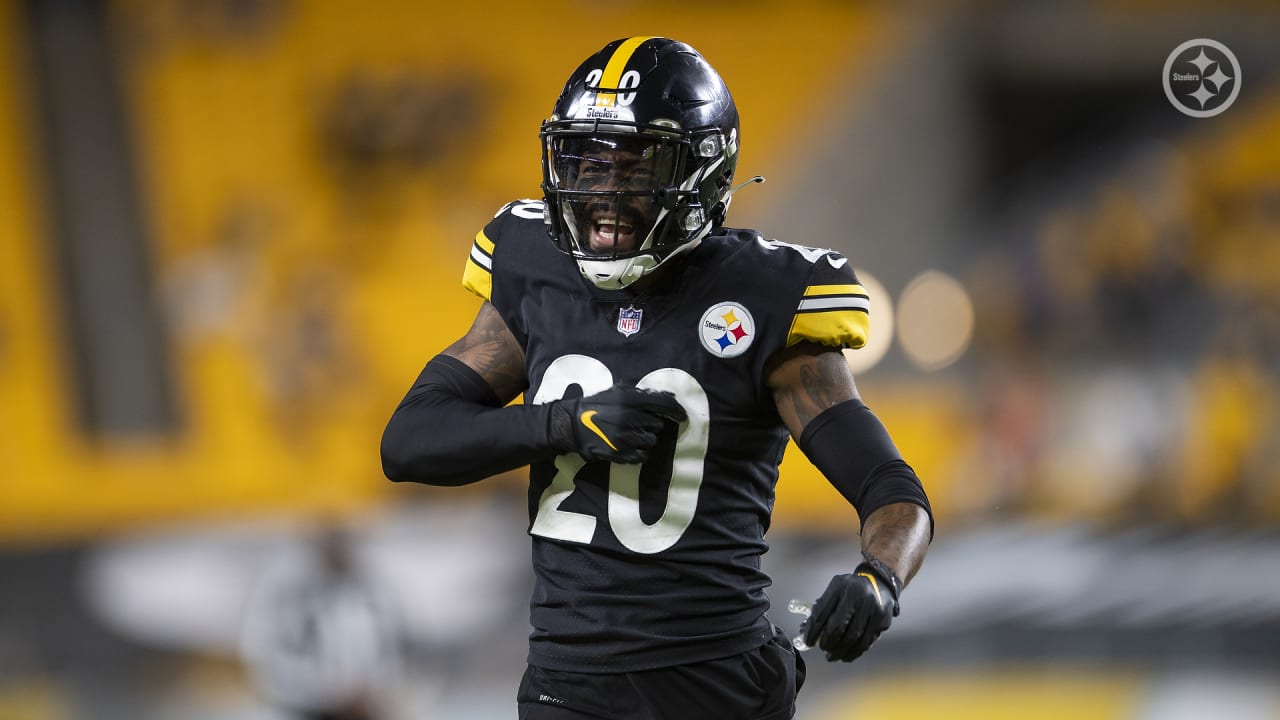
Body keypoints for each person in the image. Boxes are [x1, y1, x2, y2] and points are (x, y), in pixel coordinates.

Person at [381, 36, 933, 720]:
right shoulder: (535, 271)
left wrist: (878, 580)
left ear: (702, 171)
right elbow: (407, 443)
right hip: (568, 687)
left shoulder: (765, 296)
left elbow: (895, 495)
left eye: (634, 166)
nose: (602, 192)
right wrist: (563, 424)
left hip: (717, 687)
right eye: (587, 162)